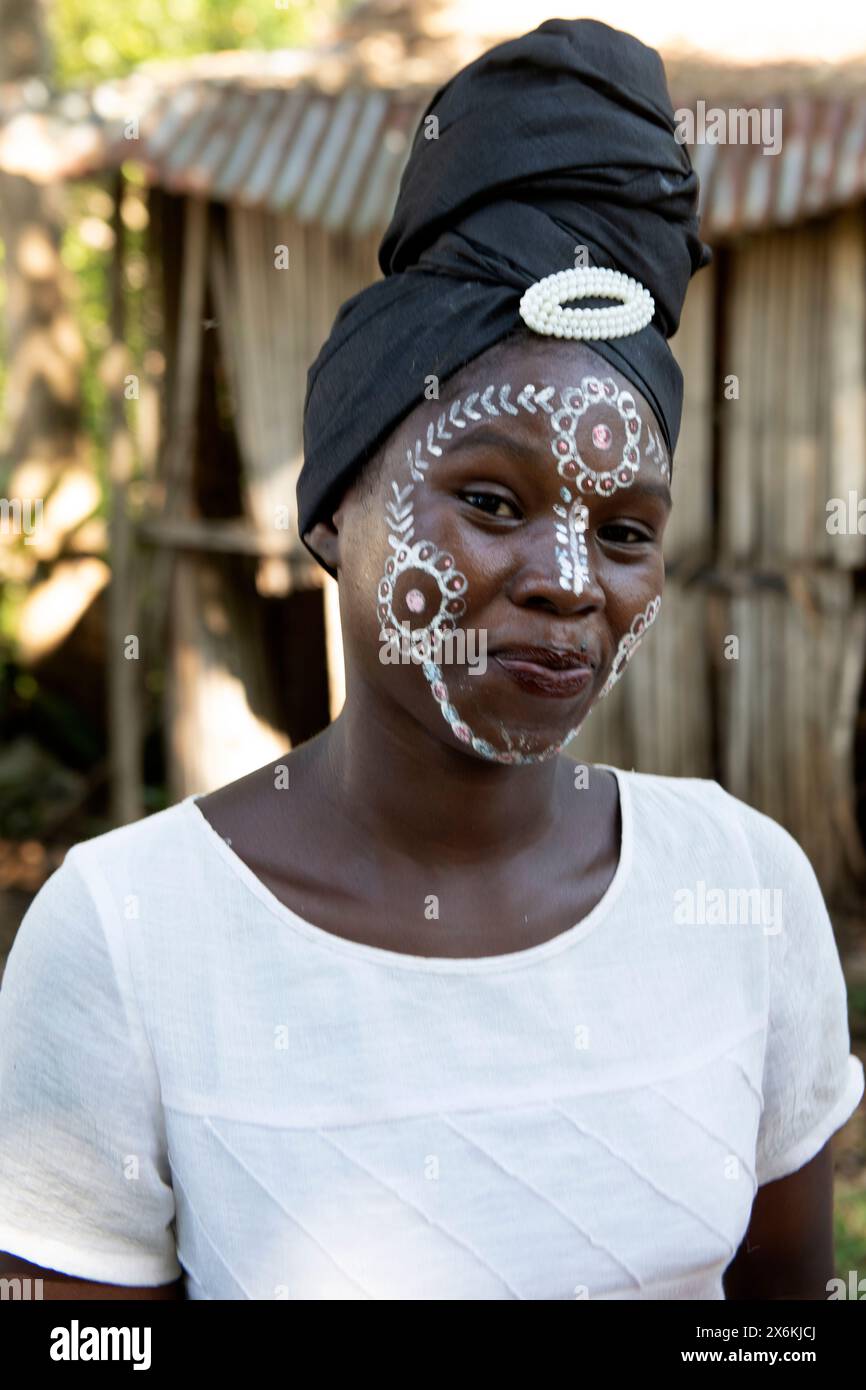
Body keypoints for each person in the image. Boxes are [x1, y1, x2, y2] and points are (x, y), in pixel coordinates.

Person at [0, 17, 863, 1302]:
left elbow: (782, 1323)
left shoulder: (742, 892)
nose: (571, 580)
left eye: (624, 530)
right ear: (334, 512)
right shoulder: (128, 938)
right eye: (493, 502)